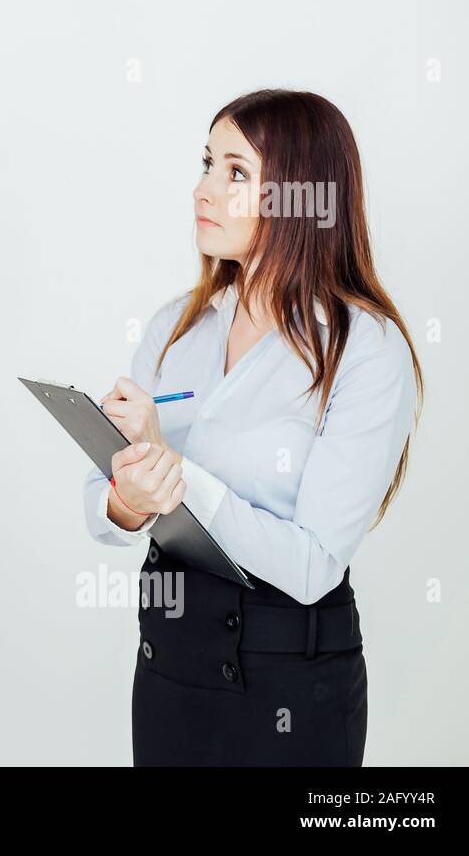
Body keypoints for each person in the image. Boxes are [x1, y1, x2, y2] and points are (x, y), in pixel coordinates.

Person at [82, 89, 422, 766]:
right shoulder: (177, 325)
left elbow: (311, 566)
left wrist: (174, 480)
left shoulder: (363, 349)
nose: (204, 189)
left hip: (287, 682)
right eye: (207, 163)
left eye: (235, 172)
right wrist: (127, 497)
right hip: (169, 662)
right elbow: (104, 507)